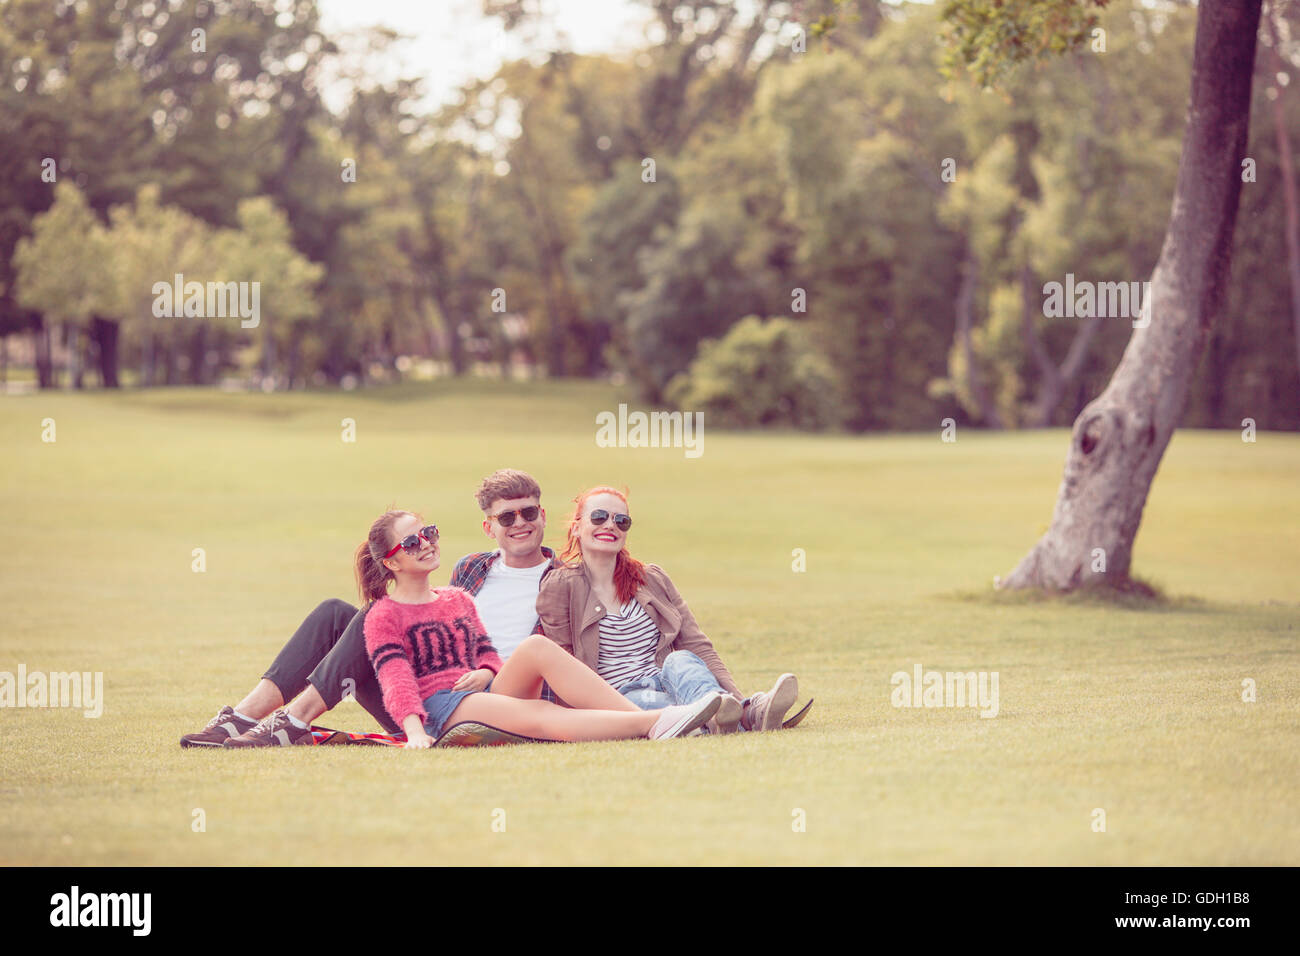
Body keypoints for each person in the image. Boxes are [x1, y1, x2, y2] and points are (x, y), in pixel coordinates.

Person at [179, 468, 560, 748]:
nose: (520, 523)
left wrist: (486, 672)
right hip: (421, 690)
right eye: (507, 517)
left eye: (528, 513)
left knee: (370, 618)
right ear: (489, 526)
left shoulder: (563, 581)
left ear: (542, 515)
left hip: (487, 700)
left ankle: (295, 720)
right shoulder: (473, 568)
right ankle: (243, 716)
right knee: (335, 613)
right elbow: (439, 628)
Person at [350, 510, 719, 746]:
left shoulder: (456, 599)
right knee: (542, 720)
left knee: (536, 649)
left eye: (428, 532)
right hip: (438, 710)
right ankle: (653, 722)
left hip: (482, 694)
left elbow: (488, 656)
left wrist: (484, 671)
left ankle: (643, 722)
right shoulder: (383, 615)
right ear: (392, 562)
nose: (427, 544)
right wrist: (414, 733)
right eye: (413, 542)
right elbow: (396, 679)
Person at [536, 486, 800, 733]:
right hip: (622, 699)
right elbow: (565, 670)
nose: (610, 525)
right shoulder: (561, 586)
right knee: (675, 708)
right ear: (576, 528)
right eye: (598, 517)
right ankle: (744, 716)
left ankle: (737, 711)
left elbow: (697, 644)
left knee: (680, 659)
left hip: (670, 679)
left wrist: (736, 696)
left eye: (621, 521)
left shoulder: (651, 578)